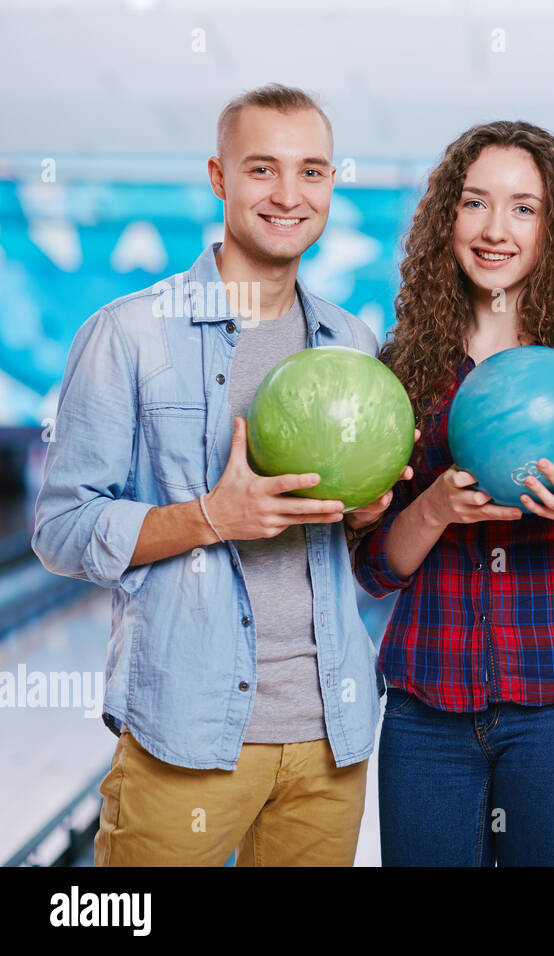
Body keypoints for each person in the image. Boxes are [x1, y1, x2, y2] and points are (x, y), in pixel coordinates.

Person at [31, 84, 410, 866]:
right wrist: (210, 516)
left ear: (332, 184)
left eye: (311, 171)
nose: (288, 194)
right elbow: (62, 532)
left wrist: (369, 510)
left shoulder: (350, 340)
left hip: (329, 737)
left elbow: (347, 536)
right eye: (262, 168)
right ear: (218, 176)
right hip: (188, 733)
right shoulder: (129, 334)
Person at [352, 120, 554, 866]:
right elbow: (375, 568)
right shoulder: (402, 364)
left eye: (523, 208)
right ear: (444, 220)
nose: (496, 229)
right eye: (474, 204)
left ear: (551, 228)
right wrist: (433, 509)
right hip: (428, 710)